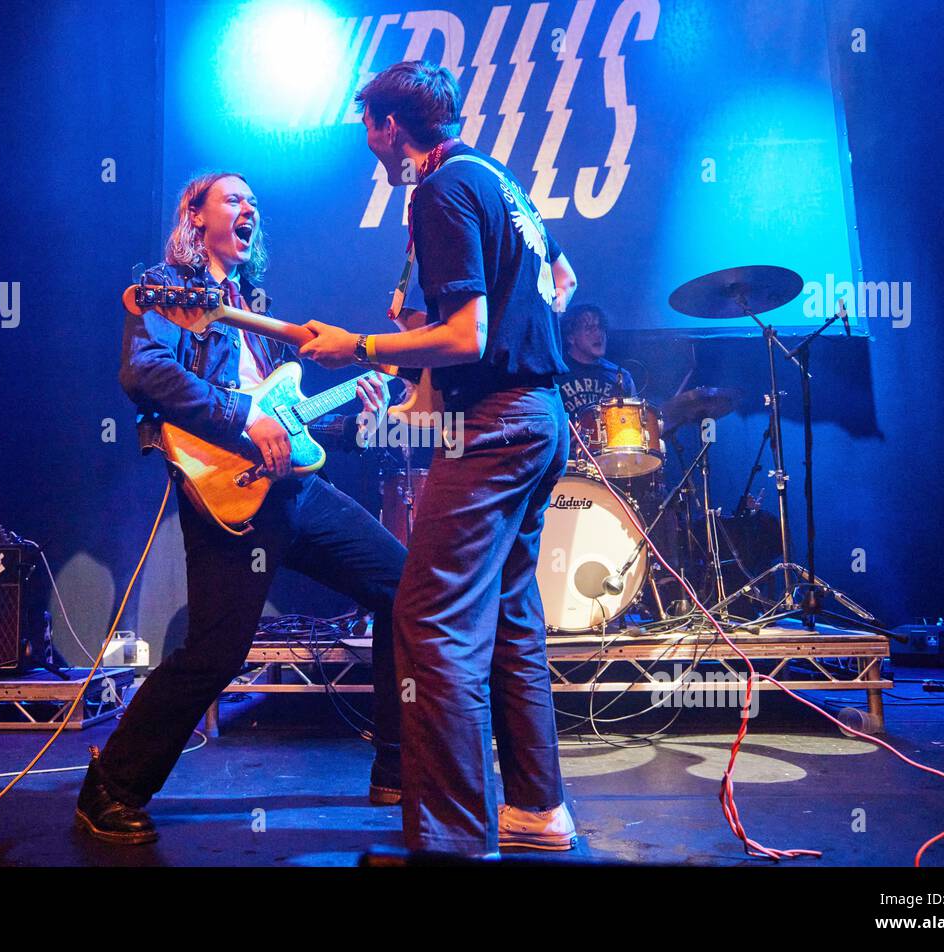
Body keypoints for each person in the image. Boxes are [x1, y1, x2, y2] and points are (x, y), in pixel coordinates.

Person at [76, 171, 407, 844]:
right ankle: (108, 786)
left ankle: (399, 766)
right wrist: (240, 417)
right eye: (233, 197)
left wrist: (356, 421)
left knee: (405, 585)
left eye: (255, 200)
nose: (249, 206)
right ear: (194, 215)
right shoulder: (168, 286)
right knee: (216, 651)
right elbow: (145, 372)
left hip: (290, 487)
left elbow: (291, 425)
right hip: (225, 488)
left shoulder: (254, 306)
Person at [300, 61, 579, 856]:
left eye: (369, 130)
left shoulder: (439, 190)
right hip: (538, 418)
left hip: (495, 427)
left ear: (391, 127)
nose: (369, 147)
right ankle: (536, 809)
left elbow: (468, 335)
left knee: (429, 618)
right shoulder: (496, 177)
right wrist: (422, 387)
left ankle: (453, 838)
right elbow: (560, 277)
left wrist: (361, 344)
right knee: (512, 617)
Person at [555, 304, 636, 422]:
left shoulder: (621, 376)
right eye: (589, 328)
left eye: (600, 327)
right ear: (571, 337)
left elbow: (633, 424)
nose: (599, 334)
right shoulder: (555, 373)